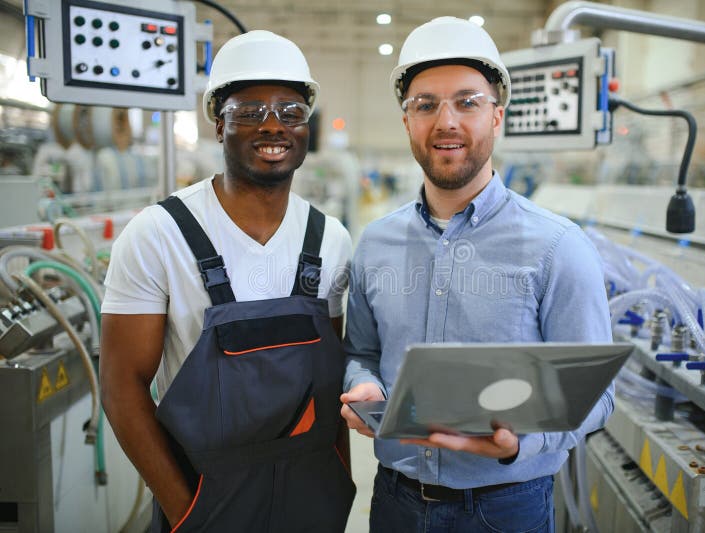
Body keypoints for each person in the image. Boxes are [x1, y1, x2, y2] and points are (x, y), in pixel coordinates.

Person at [340, 17, 613, 533]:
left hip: (507, 507)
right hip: (396, 501)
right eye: (426, 105)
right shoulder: (375, 243)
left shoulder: (558, 247)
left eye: (467, 102)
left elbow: (597, 395)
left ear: (497, 116)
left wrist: (522, 443)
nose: (446, 122)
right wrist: (366, 387)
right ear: (407, 121)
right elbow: (361, 352)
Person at [100, 31, 354, 532]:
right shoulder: (159, 235)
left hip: (311, 499)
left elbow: (329, 385)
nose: (273, 126)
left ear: (307, 126)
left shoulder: (331, 240)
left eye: (291, 112)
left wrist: (338, 486)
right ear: (219, 125)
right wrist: (186, 513)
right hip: (203, 498)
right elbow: (121, 388)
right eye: (249, 112)